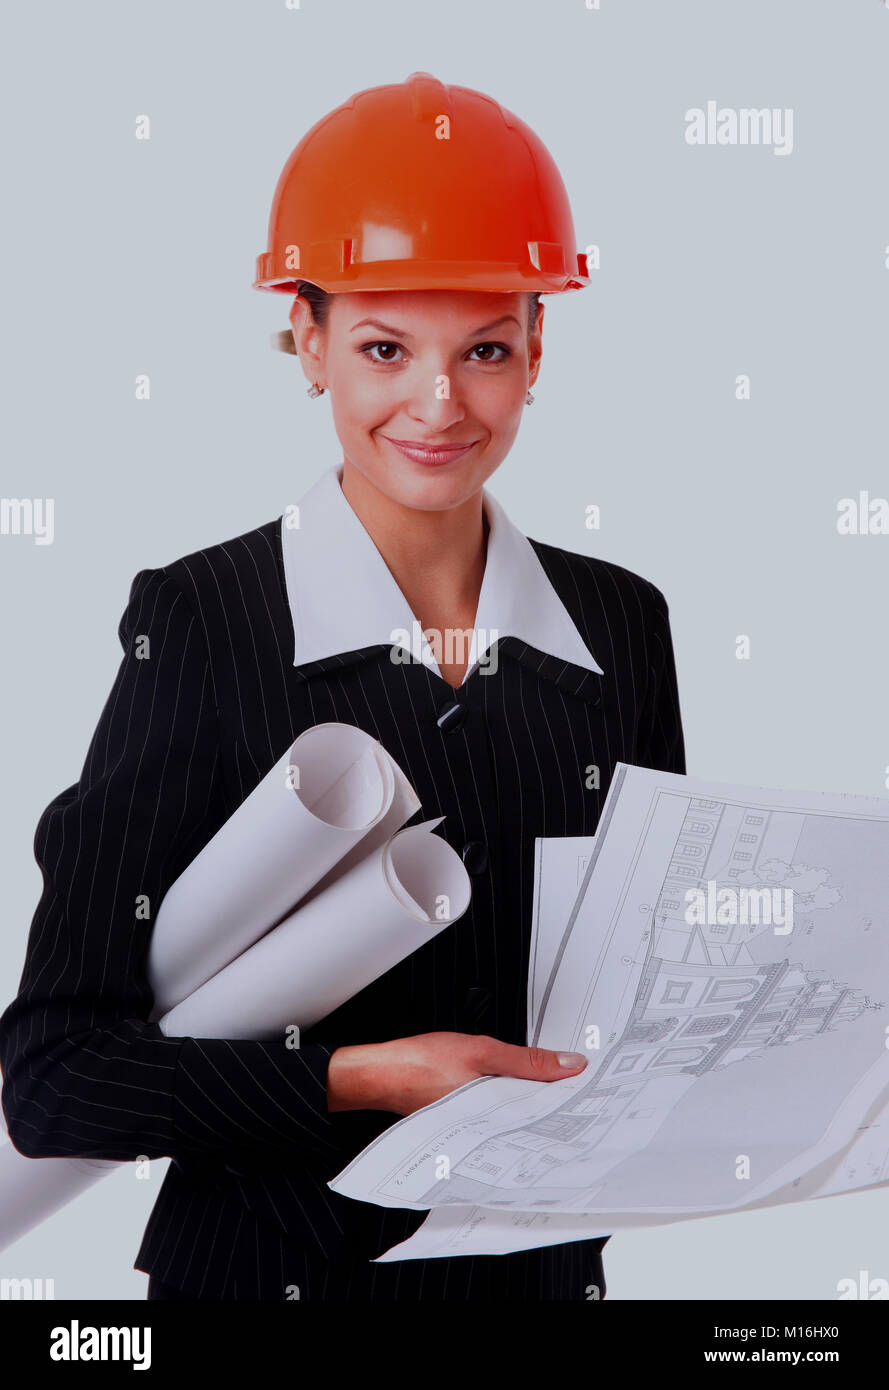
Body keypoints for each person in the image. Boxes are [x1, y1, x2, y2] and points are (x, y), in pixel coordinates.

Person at [0, 73, 685, 1300]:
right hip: (270, 1279)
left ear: (537, 348)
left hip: (535, 1284)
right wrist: (356, 1076)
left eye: (483, 348)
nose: (438, 403)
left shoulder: (621, 625)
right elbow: (57, 1074)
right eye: (383, 348)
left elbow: (637, 984)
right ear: (308, 344)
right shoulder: (203, 619)